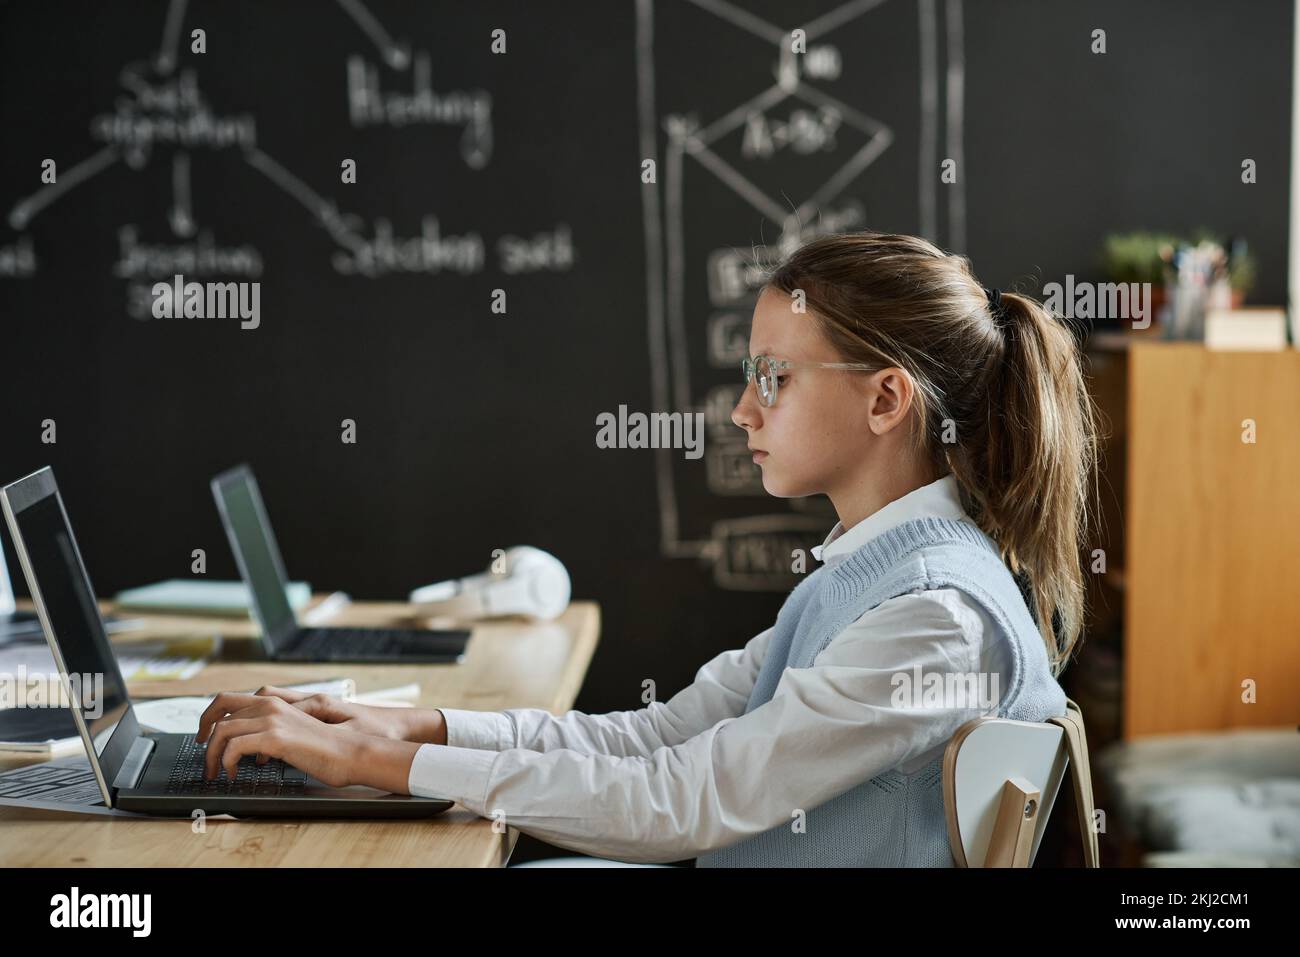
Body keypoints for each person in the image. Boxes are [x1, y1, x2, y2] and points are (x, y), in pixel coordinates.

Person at [197, 231, 1101, 866]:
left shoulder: (933, 618)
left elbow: (686, 800)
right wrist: (402, 728)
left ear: (885, 398)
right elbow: (663, 736)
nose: (744, 410)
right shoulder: (875, 576)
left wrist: (376, 767)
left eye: (772, 377)